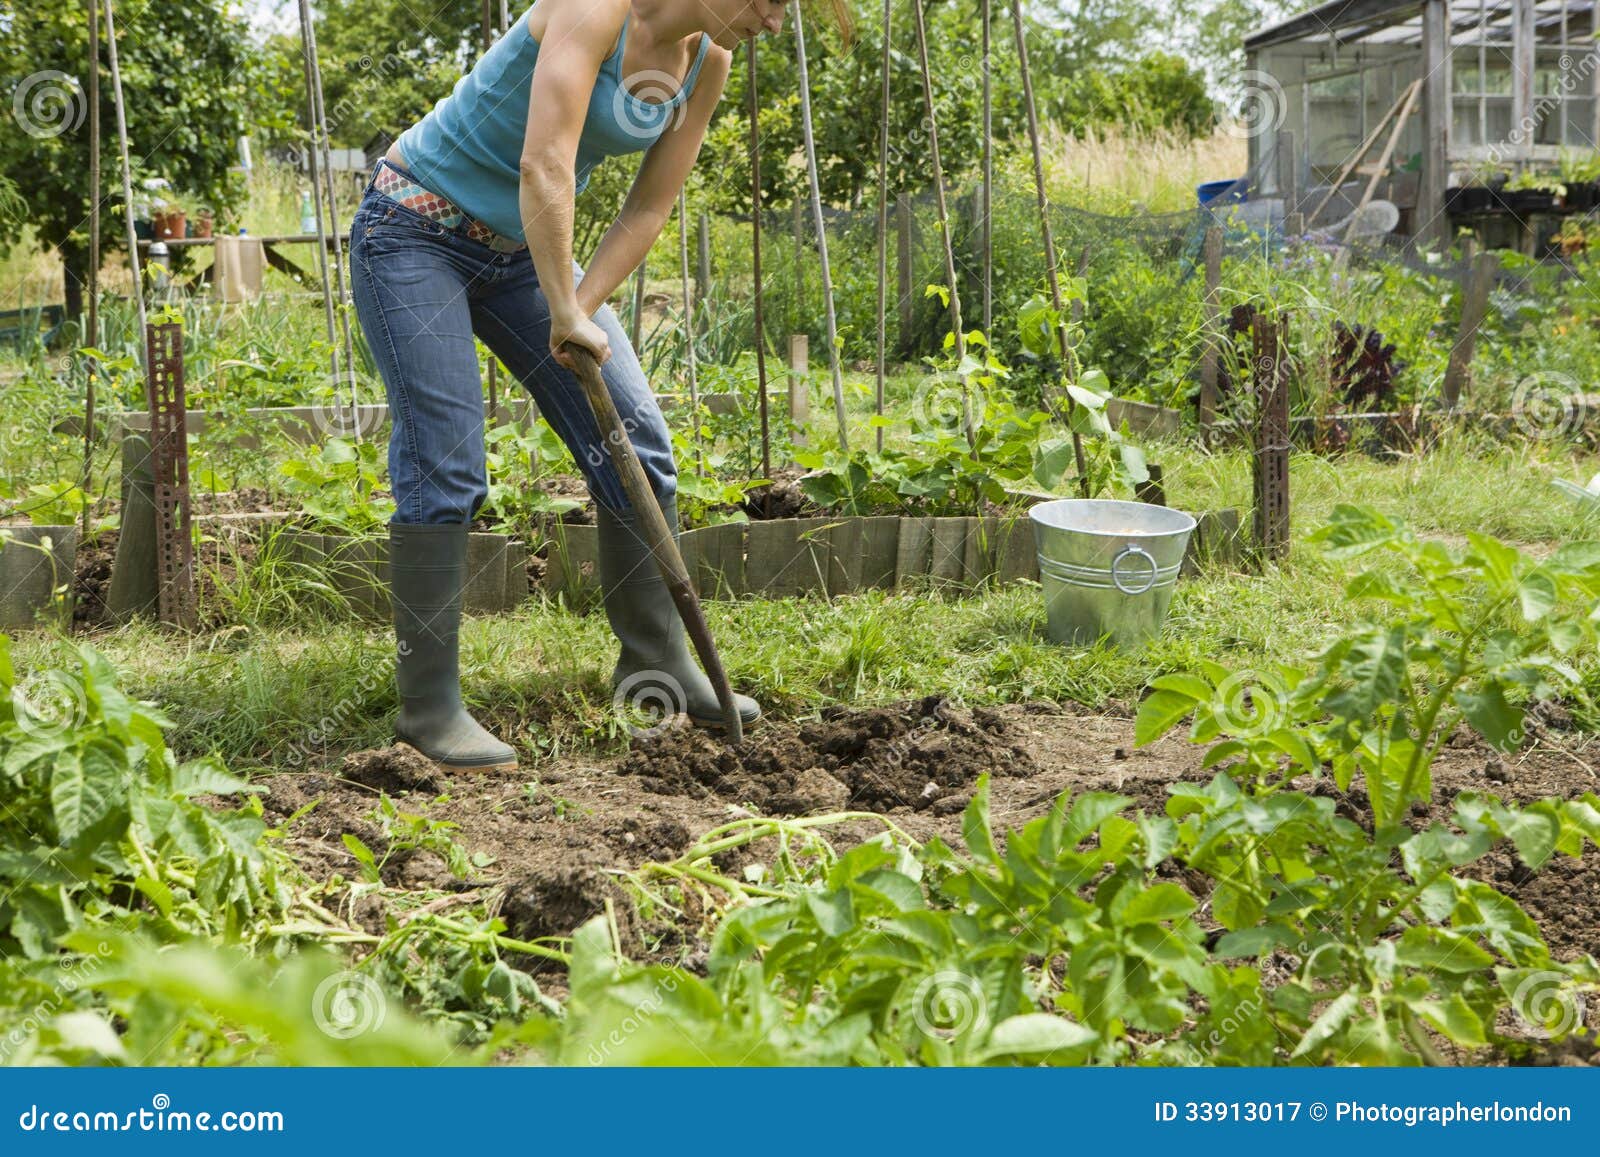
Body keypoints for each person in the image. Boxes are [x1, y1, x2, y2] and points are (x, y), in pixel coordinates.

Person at [350, 0, 850, 772]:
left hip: (519, 251)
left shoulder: (706, 63)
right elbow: (543, 161)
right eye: (773, 3)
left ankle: (660, 668)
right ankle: (429, 707)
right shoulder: (594, 9)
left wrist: (576, 310)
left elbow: (648, 207)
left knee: (639, 439)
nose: (776, 25)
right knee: (446, 465)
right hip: (415, 228)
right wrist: (561, 302)